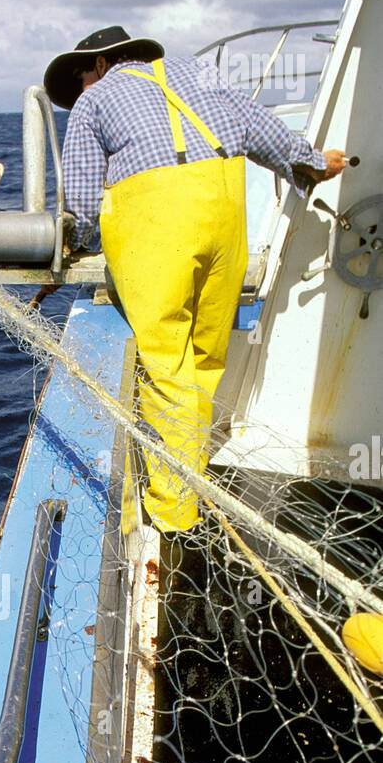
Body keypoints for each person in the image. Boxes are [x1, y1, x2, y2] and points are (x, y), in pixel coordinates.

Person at [43, 26, 347, 534]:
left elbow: (81, 199)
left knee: (167, 368)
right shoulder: (200, 74)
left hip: (157, 230)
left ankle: (173, 512)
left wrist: (80, 243)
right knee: (206, 360)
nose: (80, 93)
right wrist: (315, 162)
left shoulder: (94, 103)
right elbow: (260, 130)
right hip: (225, 221)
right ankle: (195, 473)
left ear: (97, 66)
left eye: (79, 79)